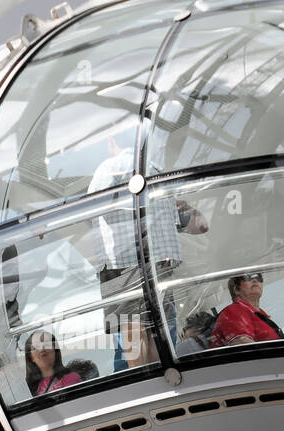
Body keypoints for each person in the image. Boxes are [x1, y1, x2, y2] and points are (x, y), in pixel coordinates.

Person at [87, 133, 208, 369]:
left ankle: (140, 379)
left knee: (132, 331)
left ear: (113, 142)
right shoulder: (157, 171)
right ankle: (158, 376)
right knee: (156, 330)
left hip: (122, 263)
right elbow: (201, 226)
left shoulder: (110, 167)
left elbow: (92, 207)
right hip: (161, 262)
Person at [209, 272, 284, 347]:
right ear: (236, 289)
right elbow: (243, 344)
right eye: (247, 277)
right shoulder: (234, 310)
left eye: (259, 278)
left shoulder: (259, 315)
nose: (255, 280)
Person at [24, 330, 84, 397]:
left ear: (55, 351)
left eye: (47, 345)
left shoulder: (70, 378)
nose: (42, 349)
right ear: (31, 357)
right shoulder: (26, 389)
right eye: (36, 347)